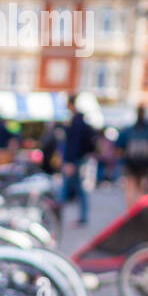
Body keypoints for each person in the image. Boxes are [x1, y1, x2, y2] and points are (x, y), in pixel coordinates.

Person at [60, 96, 98, 226]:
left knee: (66, 189)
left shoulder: (76, 122)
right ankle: (80, 217)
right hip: (78, 159)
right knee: (76, 188)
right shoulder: (79, 120)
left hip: (74, 160)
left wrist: (70, 161)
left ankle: (55, 216)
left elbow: (74, 144)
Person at [119, 105, 148, 208]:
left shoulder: (129, 130)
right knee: (142, 188)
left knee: (130, 187)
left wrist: (122, 162)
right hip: (145, 164)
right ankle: (139, 209)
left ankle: (131, 211)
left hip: (130, 163)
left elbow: (119, 146)